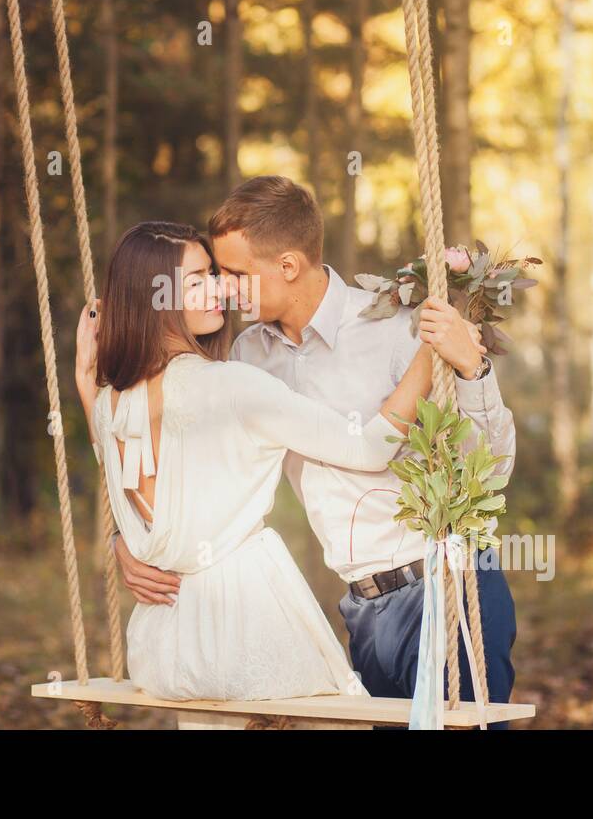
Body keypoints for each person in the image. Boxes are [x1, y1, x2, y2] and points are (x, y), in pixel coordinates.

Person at [112, 177, 519, 724]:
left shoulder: (401, 328)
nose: (225, 290)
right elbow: (179, 463)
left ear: (286, 266)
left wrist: (472, 366)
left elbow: (489, 468)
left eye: (234, 274)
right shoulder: (245, 357)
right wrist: (129, 537)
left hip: (446, 586)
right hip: (362, 606)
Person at [75, 220, 434, 701]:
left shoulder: (109, 406)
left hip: (166, 642)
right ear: (152, 299)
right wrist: (431, 353)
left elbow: (120, 478)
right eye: (195, 282)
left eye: (213, 274)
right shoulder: (234, 385)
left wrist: (85, 381)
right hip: (248, 632)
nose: (218, 290)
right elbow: (368, 449)